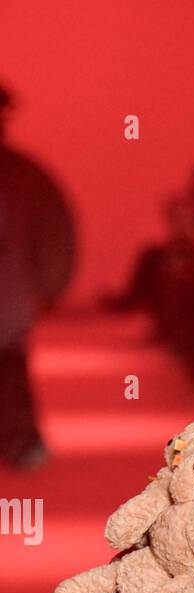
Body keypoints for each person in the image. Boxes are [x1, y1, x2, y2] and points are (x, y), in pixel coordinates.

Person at [0, 81, 76, 469]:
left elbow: (53, 232)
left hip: (10, 293)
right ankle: (19, 441)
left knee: (11, 369)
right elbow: (55, 232)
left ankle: (19, 440)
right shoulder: (27, 175)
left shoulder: (25, 176)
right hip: (14, 293)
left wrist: (50, 285)